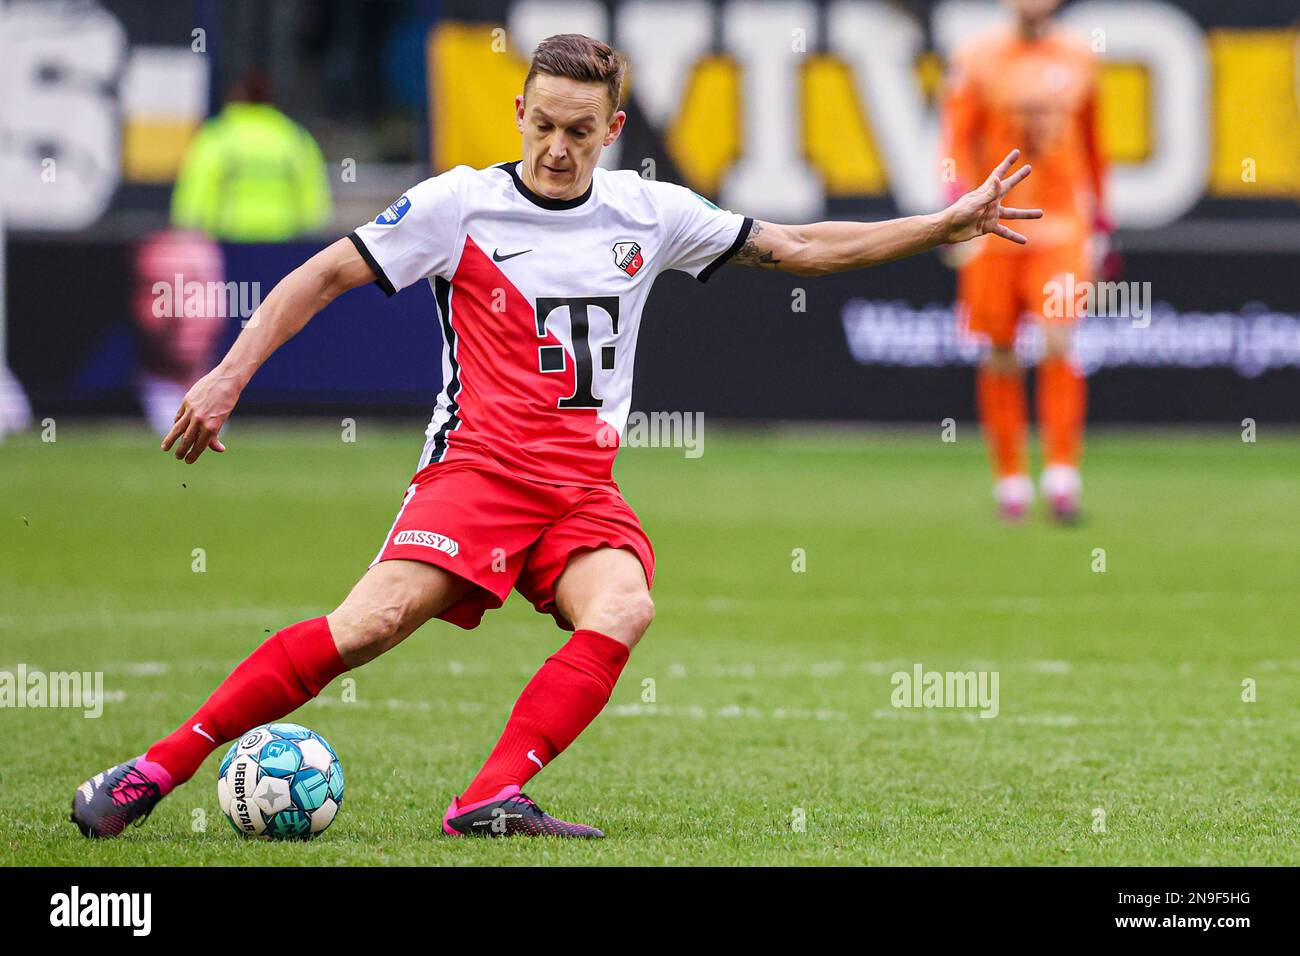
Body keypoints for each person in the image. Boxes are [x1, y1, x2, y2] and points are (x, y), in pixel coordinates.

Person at [72, 34, 1040, 839]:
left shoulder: (646, 212)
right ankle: (154, 769)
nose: (557, 148)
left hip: (579, 491)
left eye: (580, 131)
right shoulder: (459, 206)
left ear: (612, 129)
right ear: (519, 114)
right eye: (542, 125)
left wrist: (941, 225)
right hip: (477, 474)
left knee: (623, 604)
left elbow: (793, 247)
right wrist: (230, 372)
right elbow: (322, 274)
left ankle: (487, 795)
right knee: (363, 627)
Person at [942, 0, 1108, 521]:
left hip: (1060, 227)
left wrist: (1102, 221)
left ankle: (1062, 477)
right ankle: (1010, 482)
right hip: (996, 226)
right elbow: (956, 138)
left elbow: (1093, 144)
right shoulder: (977, 56)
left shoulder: (1081, 57)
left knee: (1059, 338)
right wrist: (955, 211)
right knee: (999, 350)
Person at [171, 70, 332, 243]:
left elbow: (194, 196)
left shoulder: (218, 136)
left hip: (228, 245)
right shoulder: (296, 139)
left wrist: (188, 234)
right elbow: (314, 205)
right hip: (283, 245)